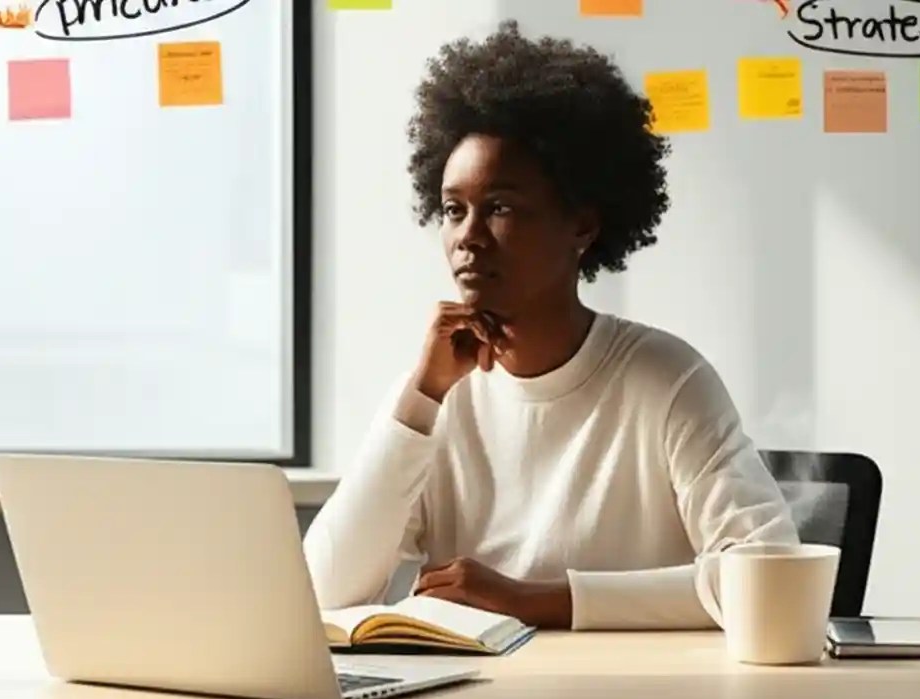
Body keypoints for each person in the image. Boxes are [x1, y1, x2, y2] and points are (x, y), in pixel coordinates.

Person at [303, 21, 799, 631]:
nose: (468, 238)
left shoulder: (667, 380)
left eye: (501, 208)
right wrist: (422, 396)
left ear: (583, 227)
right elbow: (322, 593)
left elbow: (769, 572)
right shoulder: (436, 396)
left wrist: (533, 600)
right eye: (454, 210)